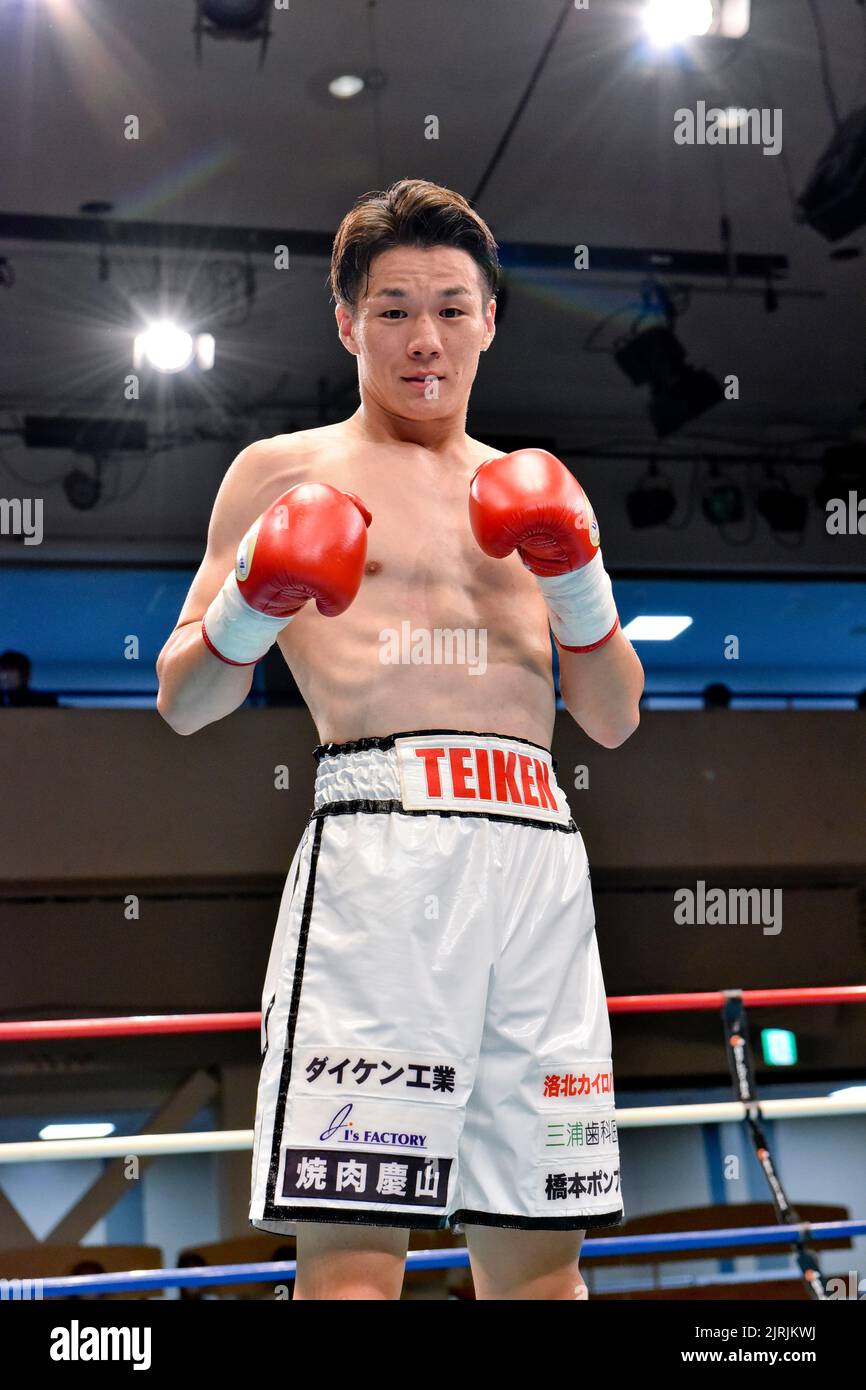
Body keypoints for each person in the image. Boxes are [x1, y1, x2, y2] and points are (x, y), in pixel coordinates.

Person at [156, 178, 644, 1300]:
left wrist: (576, 577)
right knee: (357, 1256)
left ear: (487, 320)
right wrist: (254, 596)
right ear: (345, 322)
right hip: (383, 845)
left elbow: (612, 718)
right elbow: (185, 701)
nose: (423, 338)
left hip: (537, 853)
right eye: (391, 309)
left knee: (540, 1256)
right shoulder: (283, 471)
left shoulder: (540, 491)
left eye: (450, 306)